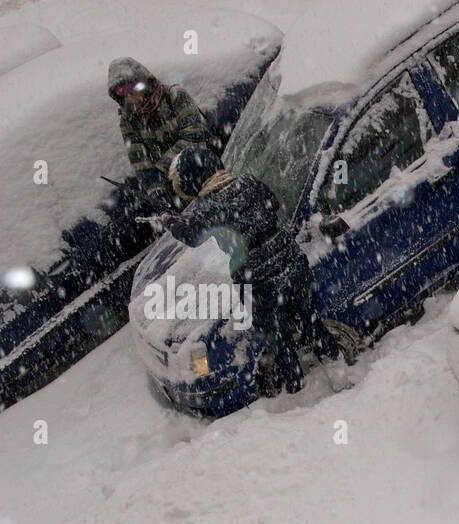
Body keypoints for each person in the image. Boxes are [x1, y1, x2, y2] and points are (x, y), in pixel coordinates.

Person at [165, 146, 353, 394]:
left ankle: (299, 392)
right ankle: (339, 376)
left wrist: (170, 222)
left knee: (280, 342)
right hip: (291, 264)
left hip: (259, 285)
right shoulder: (248, 182)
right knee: (311, 323)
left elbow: (192, 236)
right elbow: (272, 204)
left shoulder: (206, 210)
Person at [107, 58, 211, 209]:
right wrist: (157, 194)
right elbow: (141, 164)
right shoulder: (128, 121)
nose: (130, 95)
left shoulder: (175, 96)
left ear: (146, 82)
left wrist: (161, 168)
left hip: (205, 176)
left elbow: (195, 137)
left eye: (134, 86)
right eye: (122, 92)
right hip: (178, 197)